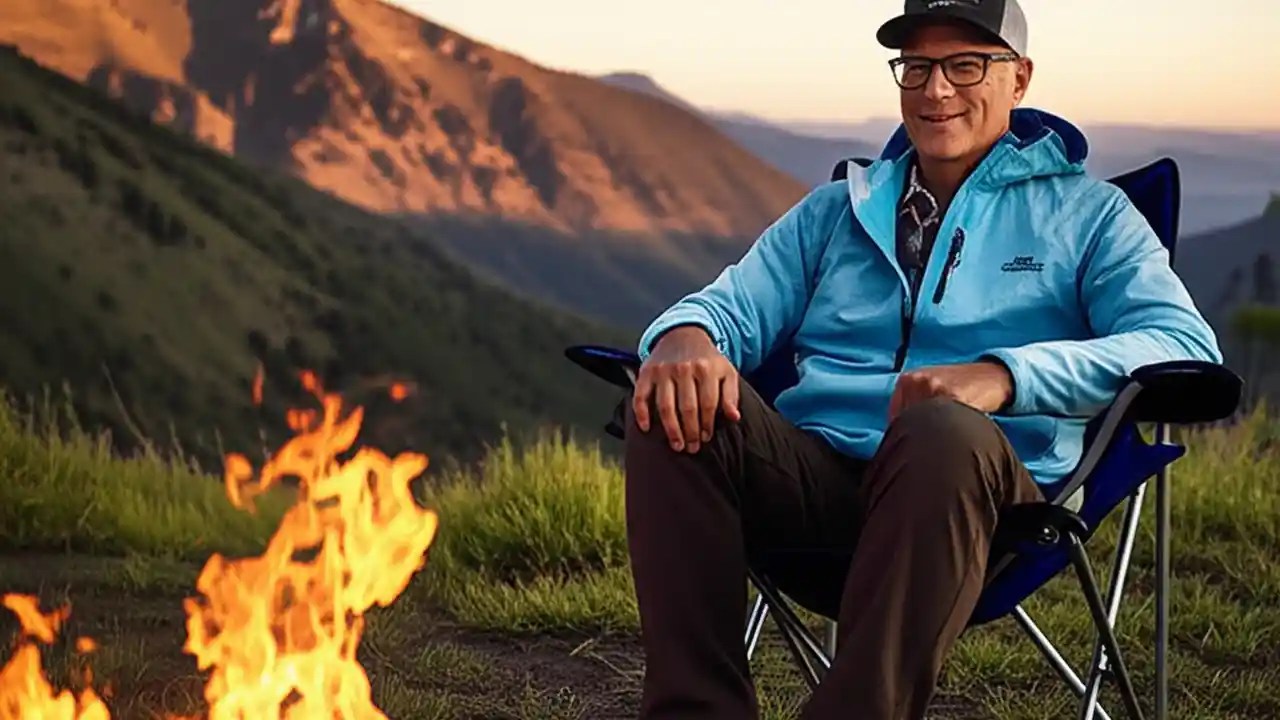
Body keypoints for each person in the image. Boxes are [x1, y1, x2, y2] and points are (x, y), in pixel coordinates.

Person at [621, 0, 1222, 718]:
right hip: (821, 486)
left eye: (967, 64)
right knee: (670, 398)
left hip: (982, 506)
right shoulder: (834, 212)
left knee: (944, 426)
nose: (936, 90)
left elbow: (1185, 346)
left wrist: (1003, 377)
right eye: (917, 67)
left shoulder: (1089, 217)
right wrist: (684, 335)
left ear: (1019, 78)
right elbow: (728, 309)